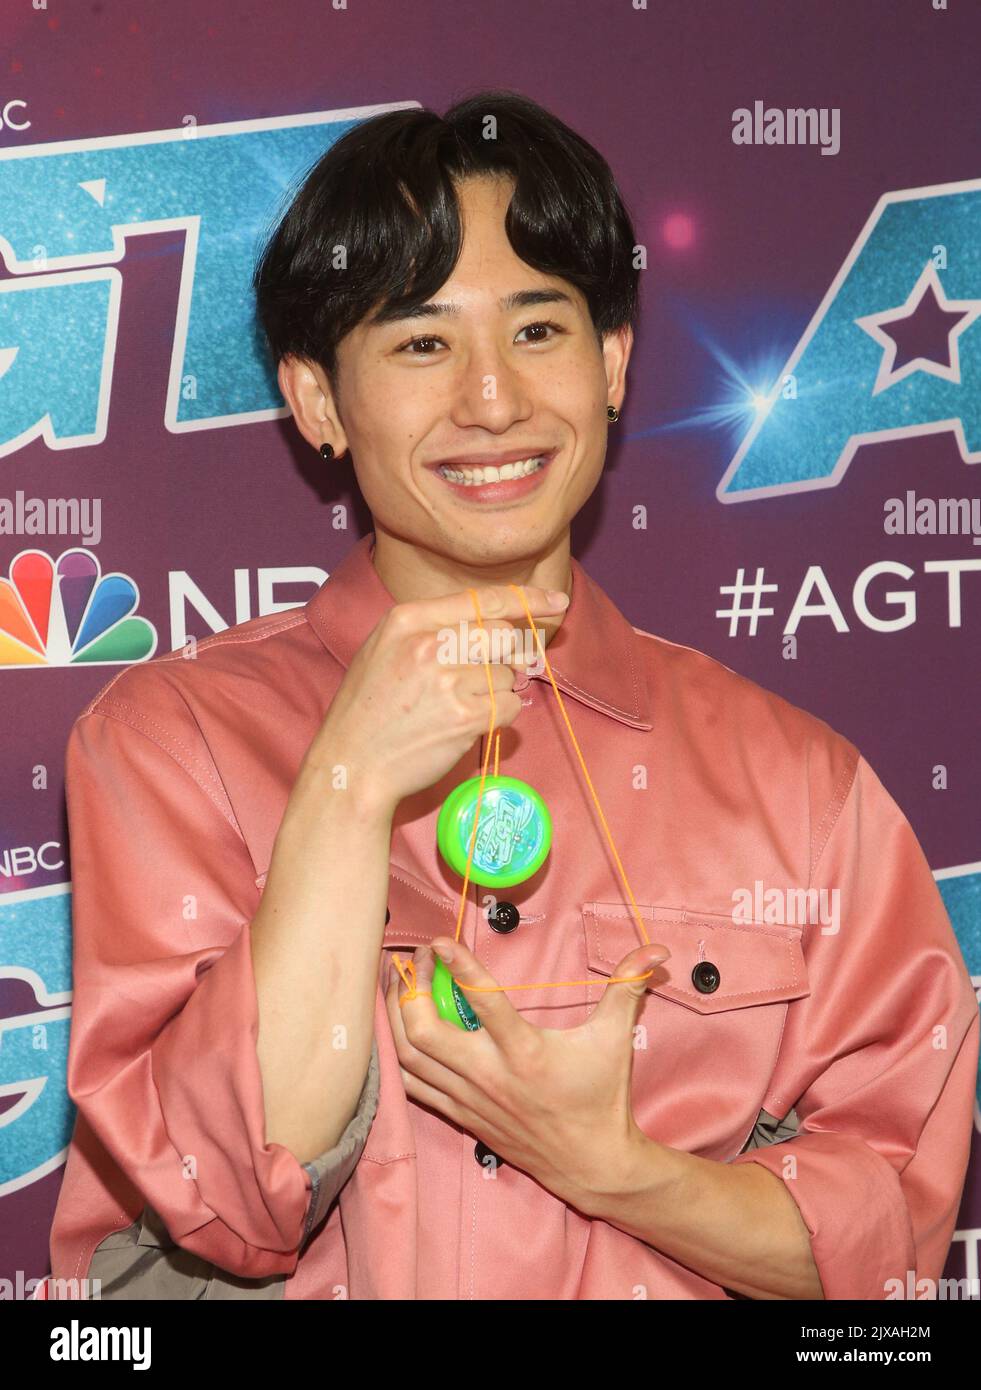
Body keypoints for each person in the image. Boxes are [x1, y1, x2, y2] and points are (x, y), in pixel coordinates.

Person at [47, 90, 978, 1301]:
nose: (493, 400)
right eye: (422, 343)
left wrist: (617, 1169)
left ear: (613, 366)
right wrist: (345, 784)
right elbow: (227, 1204)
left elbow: (887, 1251)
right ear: (320, 399)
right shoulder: (166, 741)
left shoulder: (800, 781)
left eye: (538, 332)